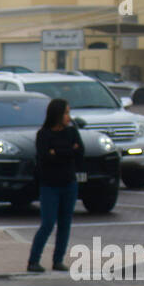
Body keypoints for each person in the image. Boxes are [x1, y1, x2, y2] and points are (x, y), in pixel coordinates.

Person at [27, 98, 83, 273]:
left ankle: (58, 260)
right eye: (65, 113)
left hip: (69, 183)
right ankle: (33, 260)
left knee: (65, 223)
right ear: (56, 114)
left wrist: (57, 151)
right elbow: (45, 157)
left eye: (69, 112)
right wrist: (67, 151)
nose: (68, 116)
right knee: (48, 223)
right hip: (49, 185)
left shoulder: (72, 132)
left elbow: (79, 152)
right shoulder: (43, 134)